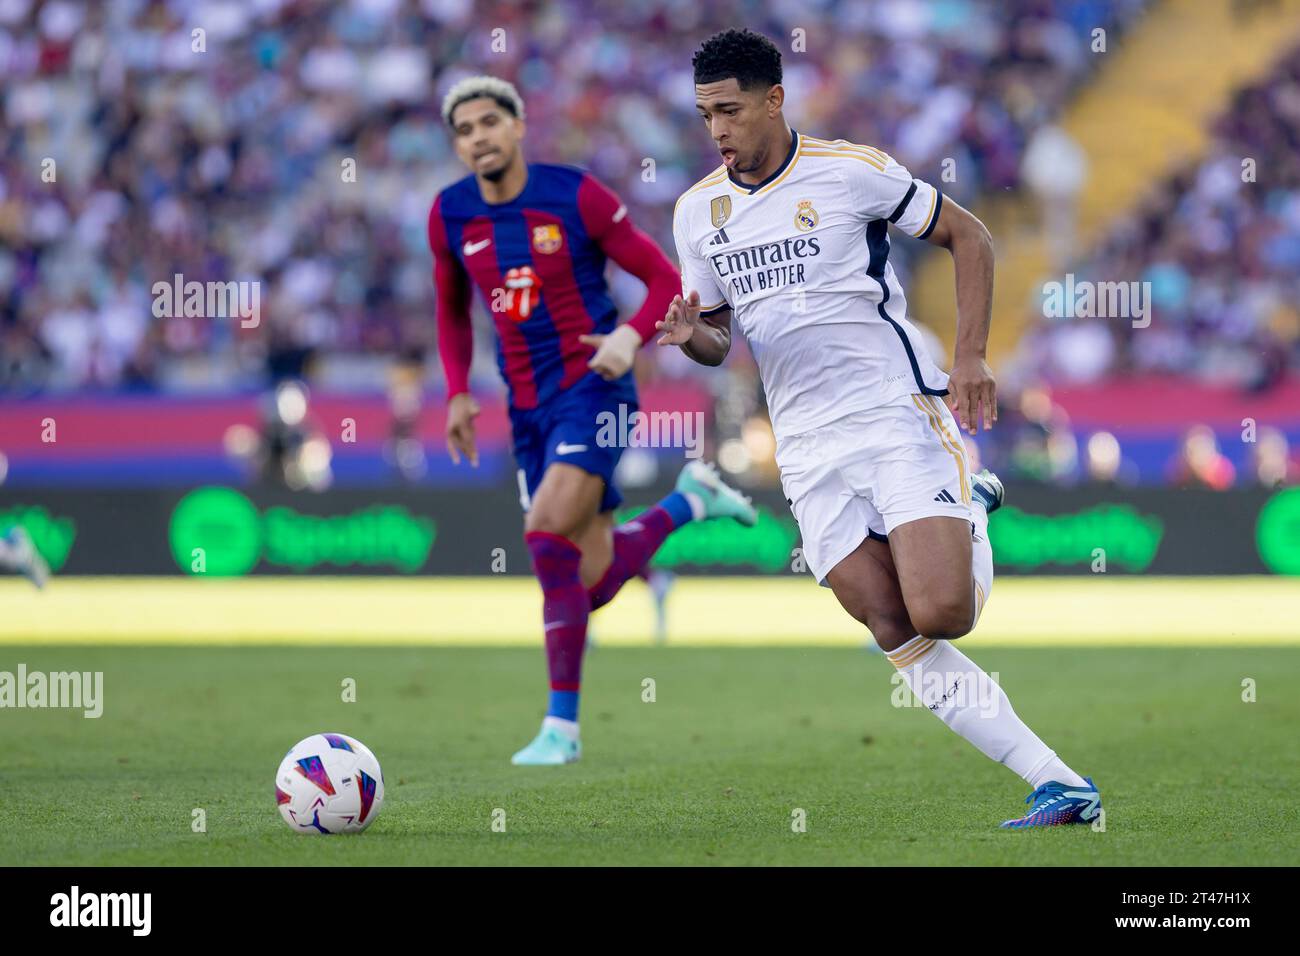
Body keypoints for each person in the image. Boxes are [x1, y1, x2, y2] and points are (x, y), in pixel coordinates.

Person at [660, 30, 1100, 828]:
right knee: (888, 620)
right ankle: (1059, 783)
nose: (717, 130)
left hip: (893, 410)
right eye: (703, 116)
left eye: (729, 110)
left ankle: (971, 503)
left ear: (774, 100)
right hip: (803, 444)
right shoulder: (698, 213)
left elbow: (972, 235)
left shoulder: (849, 172)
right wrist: (692, 334)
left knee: (942, 613)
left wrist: (969, 358)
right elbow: (718, 338)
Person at [430, 76, 755, 766]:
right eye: (464, 130)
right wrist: (458, 392)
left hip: (595, 394)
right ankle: (688, 503)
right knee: (586, 582)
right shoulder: (450, 216)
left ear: (517, 127)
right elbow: (452, 309)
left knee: (544, 531)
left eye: (490, 122)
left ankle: (561, 729)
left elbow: (667, 281)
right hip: (526, 412)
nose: (478, 137)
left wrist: (629, 338)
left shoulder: (575, 196)